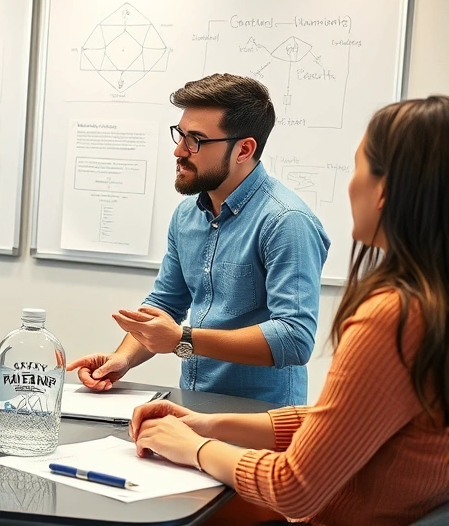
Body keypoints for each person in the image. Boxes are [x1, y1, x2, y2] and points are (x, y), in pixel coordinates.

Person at [129, 95, 449, 526]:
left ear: (385, 191)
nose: (350, 185)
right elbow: (343, 421)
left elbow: (293, 488)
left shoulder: (391, 318)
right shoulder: (427, 306)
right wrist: (208, 425)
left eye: (357, 168)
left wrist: (193, 447)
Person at [68, 74, 330, 405]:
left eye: (196, 140)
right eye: (180, 135)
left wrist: (184, 339)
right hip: (194, 408)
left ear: (244, 149)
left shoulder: (286, 221)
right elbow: (166, 305)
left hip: (261, 420)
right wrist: (123, 358)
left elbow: (294, 339)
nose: (179, 150)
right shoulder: (186, 215)